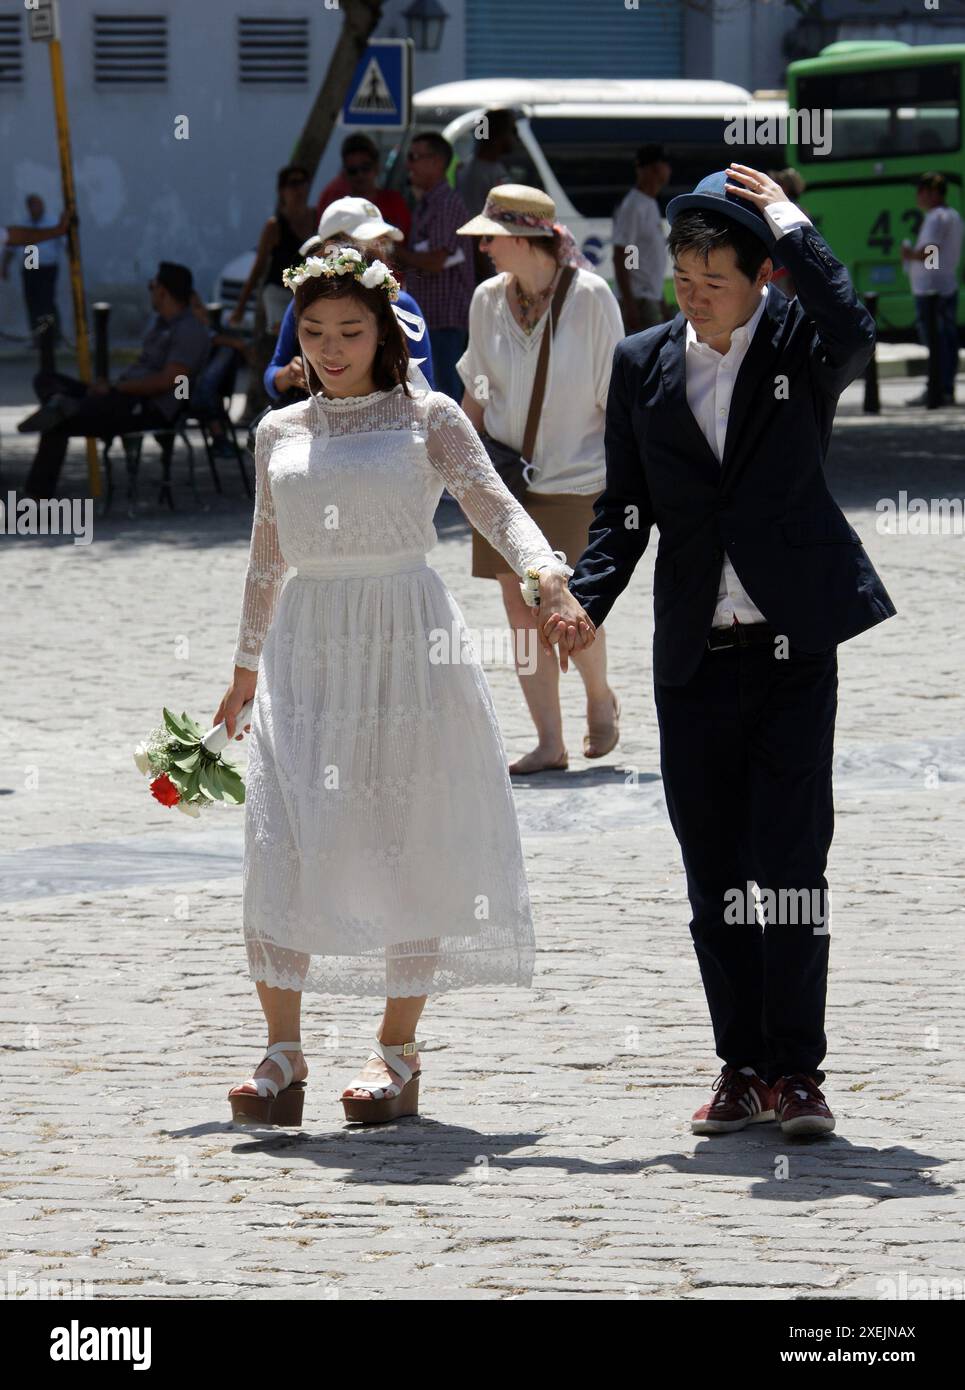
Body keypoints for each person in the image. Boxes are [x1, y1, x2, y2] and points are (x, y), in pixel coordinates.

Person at [213, 245, 594, 1127]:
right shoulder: (281, 431)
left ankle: (396, 1054)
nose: (331, 347)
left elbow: (496, 506)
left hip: (403, 637)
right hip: (307, 646)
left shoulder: (427, 416)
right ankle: (280, 1053)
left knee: (406, 831)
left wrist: (550, 582)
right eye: (313, 333)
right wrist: (241, 666)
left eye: (350, 330)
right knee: (286, 832)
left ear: (386, 331)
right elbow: (267, 551)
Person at [566, 164, 896, 1139]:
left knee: (788, 865)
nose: (693, 289)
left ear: (759, 276)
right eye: (683, 273)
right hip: (693, 659)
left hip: (791, 649)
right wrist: (583, 602)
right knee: (713, 872)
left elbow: (849, 318)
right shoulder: (640, 365)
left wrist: (788, 219)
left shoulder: (798, 345)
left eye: (714, 274)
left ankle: (797, 1070)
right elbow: (622, 514)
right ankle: (739, 1064)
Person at [455, 184, 624, 773]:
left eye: (491, 237)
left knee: (572, 606)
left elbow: (617, 399)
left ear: (526, 238)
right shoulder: (485, 300)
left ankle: (599, 697)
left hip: (577, 478)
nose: (483, 249)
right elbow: (477, 390)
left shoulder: (592, 297)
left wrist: (629, 481)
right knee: (518, 612)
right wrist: (453, 462)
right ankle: (548, 741)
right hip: (504, 480)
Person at [18, 261, 210, 500]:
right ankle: (60, 403)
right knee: (46, 379)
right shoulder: (162, 325)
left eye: (152, 285)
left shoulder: (188, 330)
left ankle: (36, 496)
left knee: (59, 424)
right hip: (122, 394)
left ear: (163, 291)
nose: (150, 291)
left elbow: (169, 381)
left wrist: (117, 387)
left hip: (144, 407)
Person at [263, 196, 434, 404]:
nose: (379, 249)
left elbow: (425, 388)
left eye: (351, 333)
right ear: (330, 247)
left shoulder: (402, 305)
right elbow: (272, 377)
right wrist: (288, 374)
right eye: (314, 331)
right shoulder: (303, 302)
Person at [394, 131, 475, 401]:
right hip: (429, 320)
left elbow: (436, 261)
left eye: (415, 157)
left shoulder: (446, 204)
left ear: (437, 163)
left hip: (446, 320)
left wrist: (396, 253)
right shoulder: (426, 204)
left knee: (444, 397)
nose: (409, 165)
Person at [902, 171, 964, 406]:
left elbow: (931, 255)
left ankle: (937, 389)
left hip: (932, 291)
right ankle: (943, 388)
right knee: (946, 341)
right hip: (944, 286)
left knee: (938, 343)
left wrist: (909, 254)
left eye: (923, 191)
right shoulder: (952, 216)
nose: (919, 196)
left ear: (934, 192)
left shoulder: (937, 217)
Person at [612, 143, 672, 333]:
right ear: (649, 170)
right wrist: (630, 303)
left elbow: (644, 258)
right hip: (640, 301)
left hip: (649, 297)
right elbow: (623, 253)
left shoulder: (650, 203)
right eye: (660, 165)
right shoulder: (634, 206)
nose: (666, 170)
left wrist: (660, 298)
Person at [1, 195, 66, 367]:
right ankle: (37, 337)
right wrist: (5, 266)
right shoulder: (25, 224)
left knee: (47, 302)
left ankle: (53, 337)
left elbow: (64, 242)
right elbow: (14, 242)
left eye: (37, 205)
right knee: (33, 302)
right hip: (31, 266)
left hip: (47, 266)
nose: (35, 209)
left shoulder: (51, 222)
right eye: (32, 206)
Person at [314, 133, 412, 243]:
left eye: (365, 168)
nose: (360, 175)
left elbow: (404, 242)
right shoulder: (335, 205)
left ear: (376, 167)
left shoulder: (394, 201)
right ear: (345, 173)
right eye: (353, 170)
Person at [455, 109, 517, 282]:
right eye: (512, 132)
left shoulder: (494, 167)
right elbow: (473, 227)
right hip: (487, 265)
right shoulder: (475, 172)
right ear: (498, 134)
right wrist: (487, 274)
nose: (515, 139)